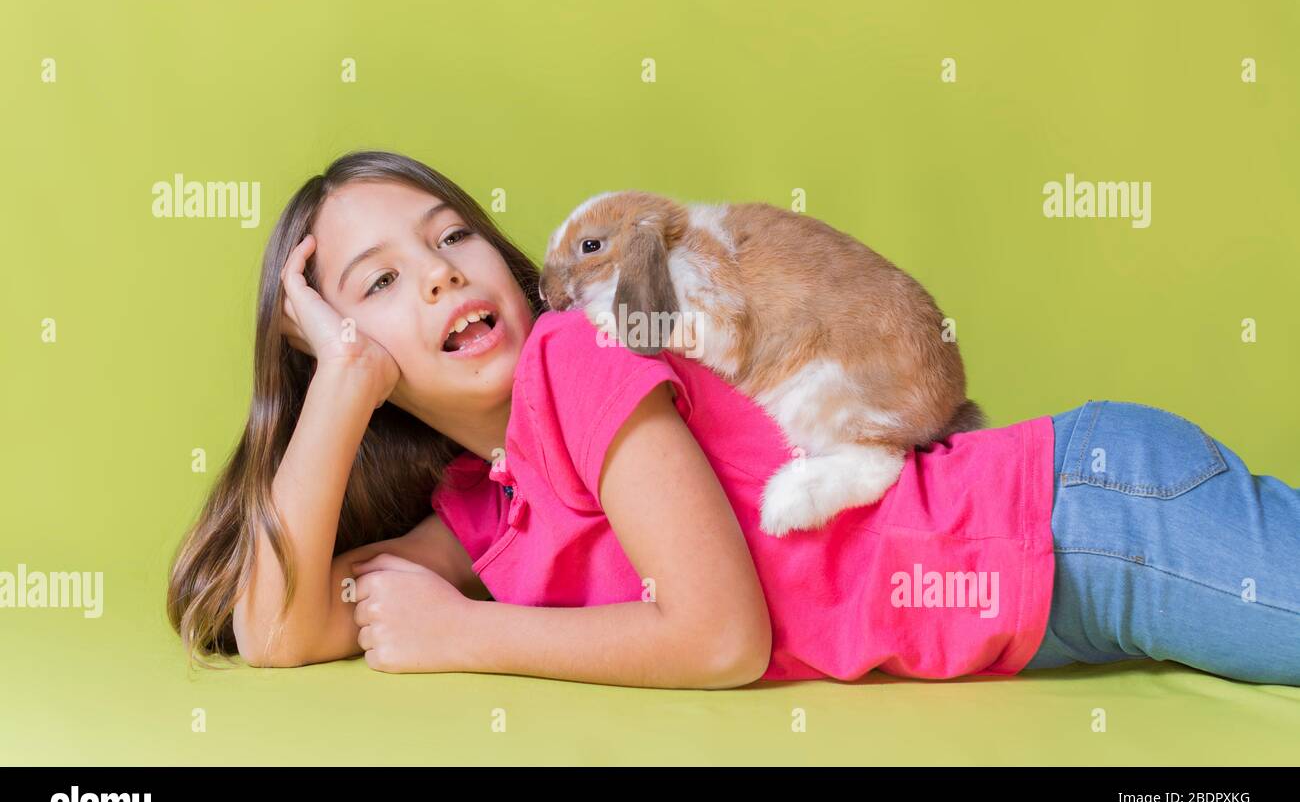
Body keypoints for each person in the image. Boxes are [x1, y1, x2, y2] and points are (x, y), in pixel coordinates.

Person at [166, 150, 1300, 688]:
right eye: (375, 282)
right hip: (1046, 609)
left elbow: (721, 635)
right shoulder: (488, 513)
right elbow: (281, 628)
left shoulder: (577, 357)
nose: (435, 274)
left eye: (450, 233)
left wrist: (464, 635)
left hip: (1090, 520)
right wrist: (346, 377)